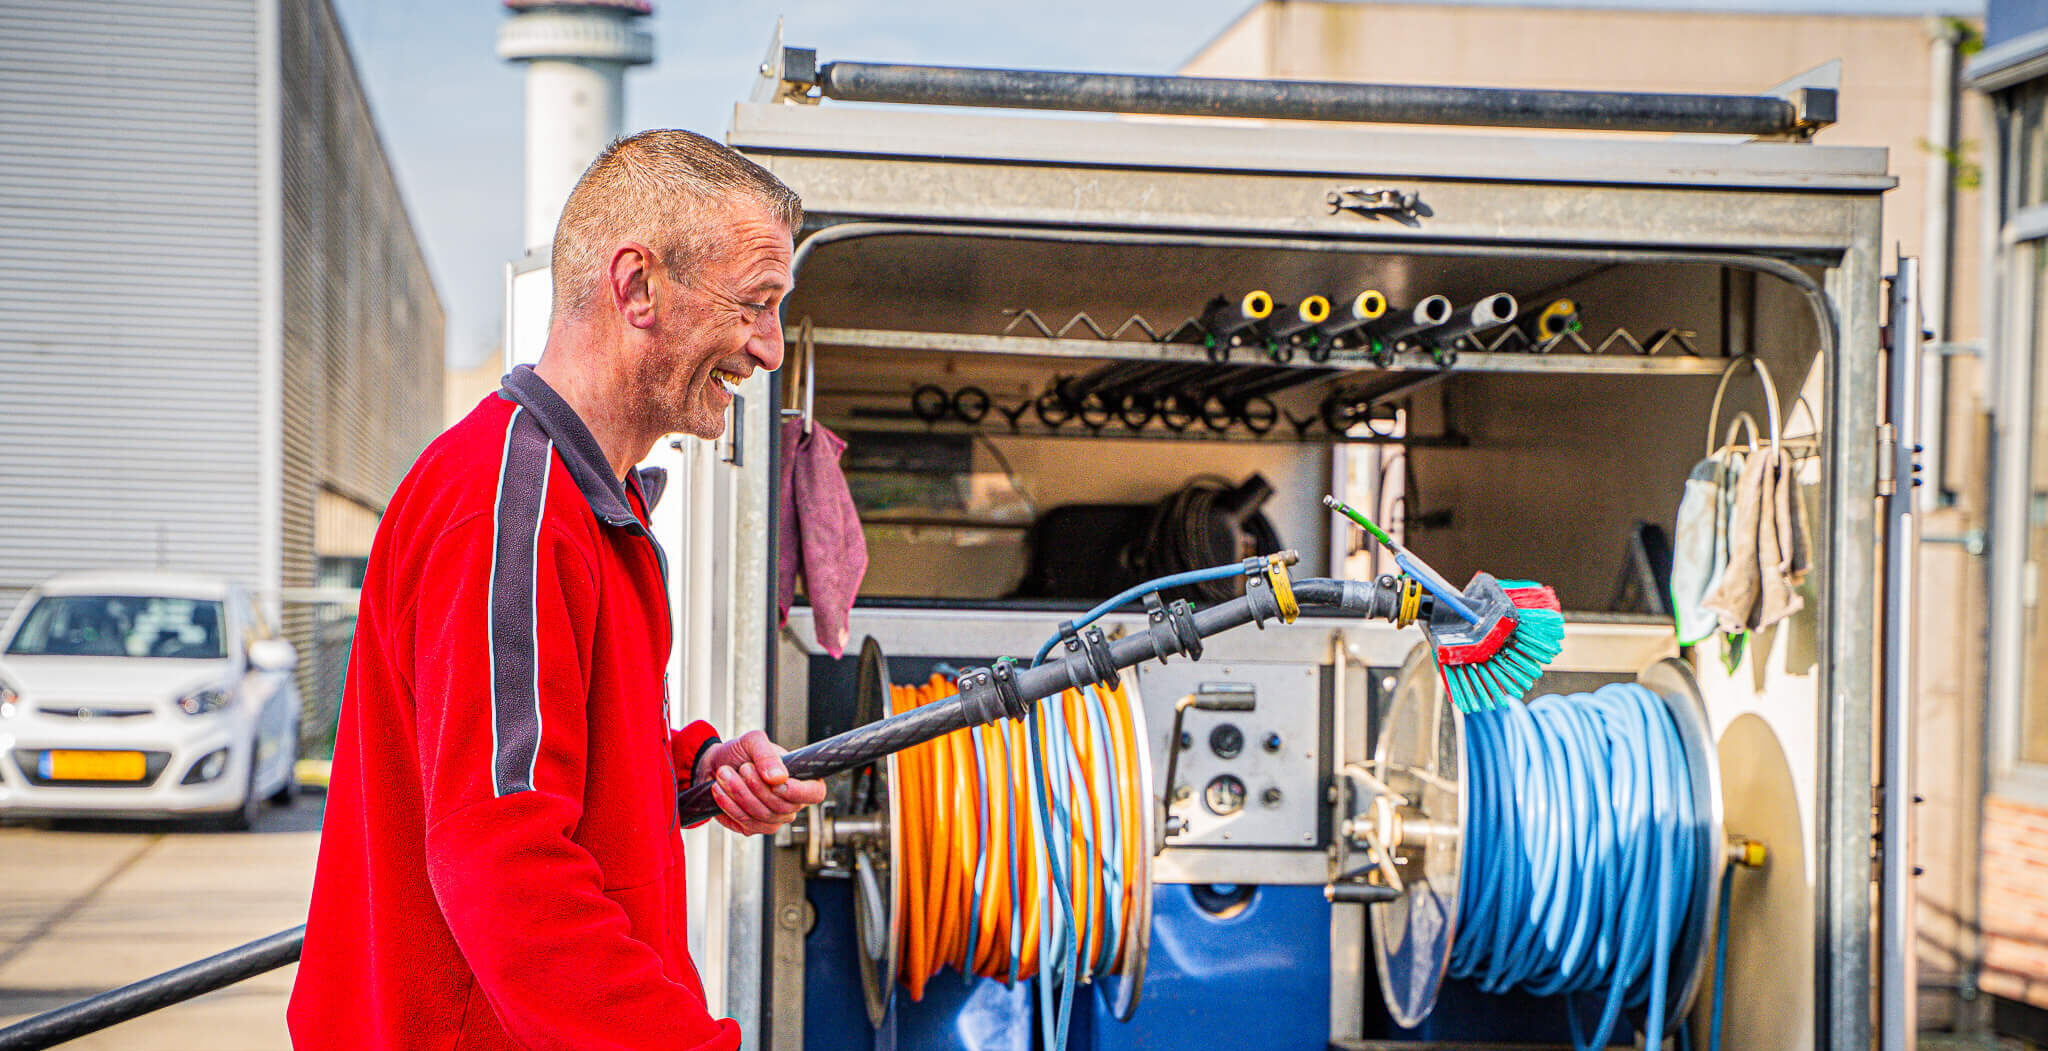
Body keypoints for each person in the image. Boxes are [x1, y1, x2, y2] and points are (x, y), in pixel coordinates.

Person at [289, 129, 826, 1051]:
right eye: (756, 304)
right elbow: (503, 855)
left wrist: (689, 770)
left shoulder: (585, 501)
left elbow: (532, 769)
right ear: (637, 287)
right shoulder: (511, 512)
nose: (770, 350)